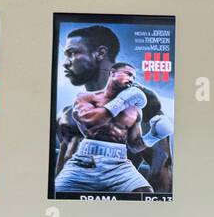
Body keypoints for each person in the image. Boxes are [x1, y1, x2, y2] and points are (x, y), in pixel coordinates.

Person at [55, 60, 153, 194]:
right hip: (85, 162)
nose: (131, 80)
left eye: (134, 78)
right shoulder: (87, 98)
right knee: (58, 193)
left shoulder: (135, 110)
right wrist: (121, 101)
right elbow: (90, 121)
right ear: (112, 73)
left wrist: (155, 135)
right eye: (128, 74)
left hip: (119, 164)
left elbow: (135, 146)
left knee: (145, 193)